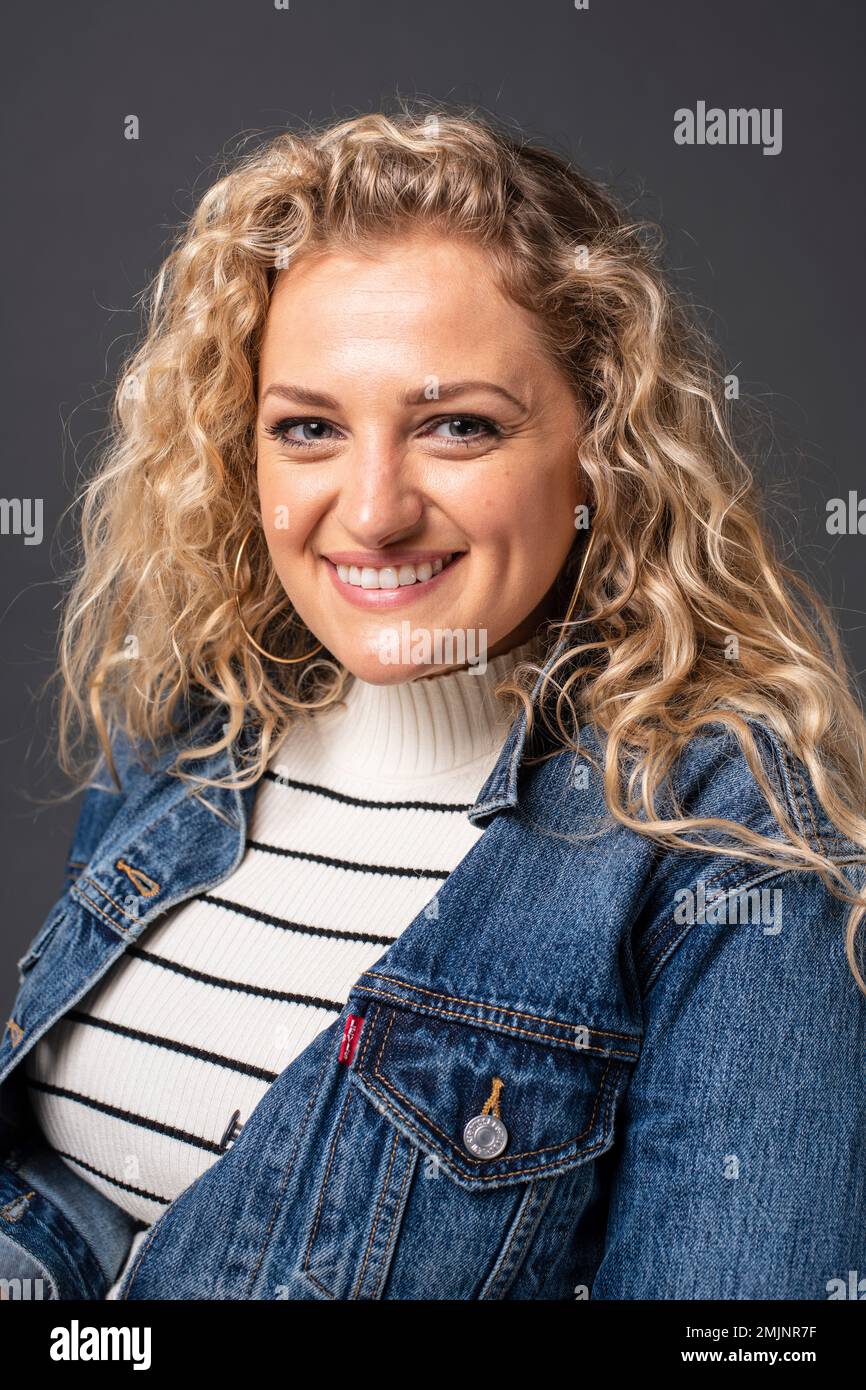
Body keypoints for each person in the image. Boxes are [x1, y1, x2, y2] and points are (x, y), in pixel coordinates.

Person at [1, 105, 865, 1301]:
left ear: (599, 448)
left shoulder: (720, 832)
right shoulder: (194, 738)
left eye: (455, 425)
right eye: (308, 428)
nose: (370, 511)